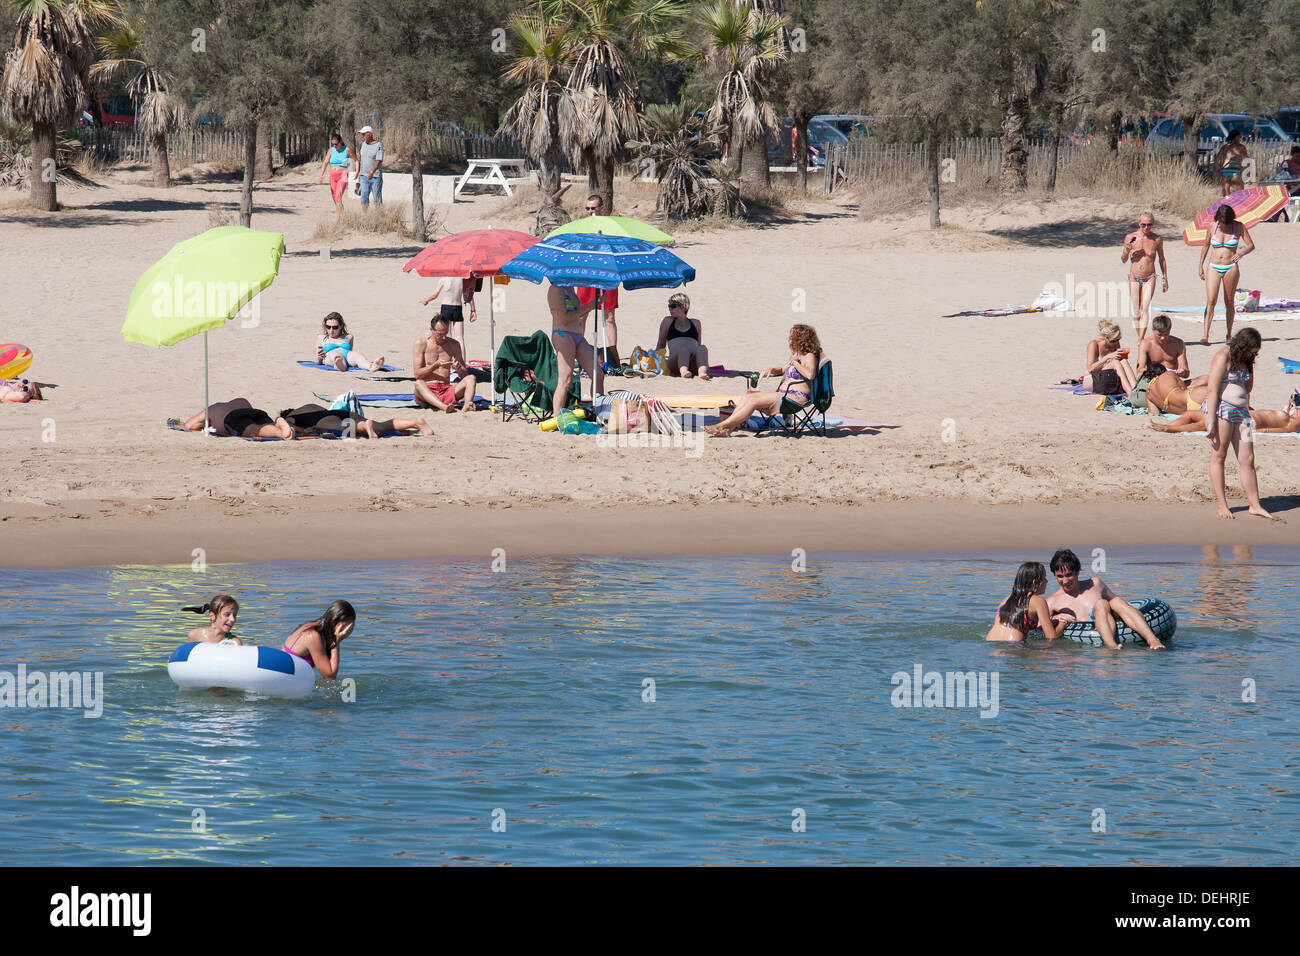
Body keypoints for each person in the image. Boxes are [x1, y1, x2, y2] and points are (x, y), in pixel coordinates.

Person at [1204, 327, 1276, 520]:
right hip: (1223, 410)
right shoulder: (1223, 356)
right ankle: (1222, 504)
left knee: (1248, 458)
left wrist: (1249, 365)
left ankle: (1255, 505)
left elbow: (1248, 387)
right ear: (1242, 345)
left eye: (1255, 353)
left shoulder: (1246, 361)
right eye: (1252, 352)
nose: (1253, 356)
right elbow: (1212, 390)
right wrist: (1210, 420)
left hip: (1243, 414)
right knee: (1220, 455)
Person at [705, 324, 821, 437]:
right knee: (748, 397)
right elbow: (782, 369)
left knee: (752, 401)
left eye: (793, 337)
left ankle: (720, 425)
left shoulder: (809, 356)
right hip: (783, 395)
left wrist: (795, 363)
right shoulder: (796, 355)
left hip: (795, 398)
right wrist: (771, 370)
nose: (790, 340)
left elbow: (810, 375)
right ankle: (728, 430)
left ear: (799, 339)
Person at [1045, 549, 1165, 650]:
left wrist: (1137, 613)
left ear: (1077, 571)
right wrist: (1055, 617)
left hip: (1108, 616)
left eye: (1068, 575)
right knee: (1102, 603)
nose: (1065, 581)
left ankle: (1153, 640)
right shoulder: (1052, 601)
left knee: (1111, 602)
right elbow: (1039, 629)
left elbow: (1117, 602)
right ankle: (1112, 646)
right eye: (1060, 576)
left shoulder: (1095, 584)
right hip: (1085, 638)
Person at [573, 194, 620, 366]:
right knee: (582, 315)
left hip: (608, 272)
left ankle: (613, 355)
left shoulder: (610, 225)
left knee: (609, 317)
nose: (590, 211)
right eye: (587, 208)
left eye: (593, 208)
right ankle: (578, 352)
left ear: (601, 208)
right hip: (586, 273)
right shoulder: (581, 227)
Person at [1197, 204, 1254, 344]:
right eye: (1220, 220)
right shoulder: (1212, 226)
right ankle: (1205, 334)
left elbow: (1251, 245)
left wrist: (1241, 253)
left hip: (1230, 267)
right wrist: (1200, 265)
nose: (1222, 224)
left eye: (1224, 221)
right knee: (1211, 300)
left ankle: (1228, 334)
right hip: (1213, 266)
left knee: (1229, 301)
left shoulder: (1238, 227)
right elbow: (1205, 245)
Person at [548, 281, 602, 418]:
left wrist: (595, 304)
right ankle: (556, 417)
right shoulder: (556, 289)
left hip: (578, 336)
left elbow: (579, 314)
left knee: (598, 375)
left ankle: (598, 412)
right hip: (563, 335)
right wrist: (590, 305)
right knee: (565, 379)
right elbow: (565, 318)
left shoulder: (570, 287)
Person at [1146, 391, 1300, 434]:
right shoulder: (1291, 411)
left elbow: (1289, 429)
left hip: (1249, 421)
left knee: (1204, 424)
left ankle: (1168, 428)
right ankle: (1166, 426)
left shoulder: (1296, 417)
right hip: (1244, 414)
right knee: (1190, 414)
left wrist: (1261, 430)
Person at [413, 315, 481, 412]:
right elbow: (417, 374)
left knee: (471, 378)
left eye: (446, 333)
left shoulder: (454, 344)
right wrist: (435, 366)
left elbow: (464, 375)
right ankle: (443, 407)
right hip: (428, 390)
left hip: (446, 390)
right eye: (440, 334)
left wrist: (459, 369)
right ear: (431, 330)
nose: (444, 337)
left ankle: (467, 405)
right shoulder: (421, 344)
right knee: (418, 384)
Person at [986, 562, 1067, 642]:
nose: (1046, 581)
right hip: (1014, 646)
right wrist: (1062, 624)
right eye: (1044, 578)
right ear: (1034, 582)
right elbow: (1051, 637)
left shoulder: (1006, 600)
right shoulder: (1038, 601)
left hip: (992, 644)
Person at [1120, 212, 1167, 340]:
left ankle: (1141, 340)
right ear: (1139, 223)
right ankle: (1140, 337)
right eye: (1143, 225)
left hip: (1150, 277)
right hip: (1134, 277)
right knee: (1136, 311)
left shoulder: (1156, 239)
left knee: (1144, 308)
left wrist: (1164, 278)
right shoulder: (1130, 237)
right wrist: (1127, 250)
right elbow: (1123, 259)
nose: (1146, 228)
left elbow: (1162, 259)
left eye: (1149, 225)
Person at [282, 600, 356, 679]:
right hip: (284, 678)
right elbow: (330, 676)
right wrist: (336, 641)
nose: (349, 631)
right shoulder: (312, 636)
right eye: (349, 627)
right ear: (336, 622)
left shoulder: (313, 626)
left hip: (288, 676)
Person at [278, 403, 434, 437]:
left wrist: (302, 430)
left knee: (354, 428)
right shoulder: (309, 405)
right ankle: (416, 422)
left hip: (323, 421)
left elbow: (290, 426)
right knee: (381, 426)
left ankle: (364, 426)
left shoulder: (292, 417)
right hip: (339, 411)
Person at [654, 292, 711, 379]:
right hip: (675, 362)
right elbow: (661, 345)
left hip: (692, 362)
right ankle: (684, 372)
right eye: (669, 306)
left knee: (702, 348)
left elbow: (698, 345)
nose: (670, 308)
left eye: (673, 306)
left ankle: (702, 373)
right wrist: (656, 363)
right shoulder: (668, 321)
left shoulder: (696, 323)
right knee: (683, 349)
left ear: (683, 306)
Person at [182, 399, 295, 439]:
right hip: (254, 412)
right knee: (264, 425)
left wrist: (208, 423)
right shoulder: (240, 400)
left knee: (253, 430)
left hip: (232, 418)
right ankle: (279, 425)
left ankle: (281, 432)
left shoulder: (213, 408)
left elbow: (190, 425)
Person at [420, 277, 477, 355]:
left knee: (448, 337)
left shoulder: (443, 279)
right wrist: (473, 311)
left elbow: (434, 295)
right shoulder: (463, 279)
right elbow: (469, 296)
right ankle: (462, 362)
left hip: (446, 308)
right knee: (460, 338)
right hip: (458, 308)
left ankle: (450, 361)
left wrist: (426, 300)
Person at [316, 312, 385, 372]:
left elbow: (350, 351)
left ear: (341, 326)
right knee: (337, 356)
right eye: (328, 327)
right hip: (330, 356)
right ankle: (339, 365)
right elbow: (317, 361)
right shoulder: (321, 338)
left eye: (335, 327)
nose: (331, 330)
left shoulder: (349, 337)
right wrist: (319, 358)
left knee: (357, 356)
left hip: (347, 356)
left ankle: (371, 366)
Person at [1081, 320, 1136, 395]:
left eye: (1118, 340)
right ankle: (1130, 393)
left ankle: (1135, 389)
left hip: (1108, 376)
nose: (1116, 343)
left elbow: (1121, 363)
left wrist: (1123, 356)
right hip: (1093, 379)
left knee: (1123, 361)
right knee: (1115, 362)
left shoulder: (1116, 344)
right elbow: (1090, 369)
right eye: (1113, 341)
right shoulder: (1094, 344)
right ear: (1104, 337)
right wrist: (1107, 357)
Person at [1134, 314, 1189, 381]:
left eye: (1166, 334)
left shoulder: (1178, 344)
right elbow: (1140, 370)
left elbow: (1186, 373)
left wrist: (1182, 372)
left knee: (1204, 379)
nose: (1163, 338)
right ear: (1153, 330)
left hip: (1172, 381)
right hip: (1154, 380)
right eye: (1159, 335)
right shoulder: (1146, 344)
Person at [1144, 369, 1211, 417]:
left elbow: (1154, 414)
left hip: (1188, 411)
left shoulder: (1148, 395)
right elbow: (1184, 388)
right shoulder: (1169, 374)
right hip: (1193, 397)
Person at [317, 132, 357, 213]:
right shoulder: (331, 150)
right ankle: (341, 212)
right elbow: (325, 162)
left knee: (338, 196)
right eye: (333, 144)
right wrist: (321, 175)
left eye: (336, 144)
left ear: (340, 141)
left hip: (343, 175)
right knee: (334, 197)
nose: (334, 146)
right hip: (332, 176)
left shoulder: (347, 150)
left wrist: (357, 172)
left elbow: (356, 160)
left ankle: (338, 220)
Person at [1214, 130, 1250, 196]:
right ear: (1236, 137)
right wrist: (1248, 172)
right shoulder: (1241, 147)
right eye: (1240, 136)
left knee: (1226, 196)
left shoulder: (1225, 147)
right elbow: (1247, 160)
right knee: (1240, 195)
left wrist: (1216, 171)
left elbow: (1217, 159)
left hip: (1224, 171)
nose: (1240, 138)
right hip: (1235, 170)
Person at [357, 125, 383, 208]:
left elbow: (378, 160)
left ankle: (379, 216)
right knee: (364, 197)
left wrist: (372, 172)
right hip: (364, 176)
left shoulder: (378, 145)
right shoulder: (362, 145)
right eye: (362, 134)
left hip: (375, 177)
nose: (363, 136)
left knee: (377, 198)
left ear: (370, 134)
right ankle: (365, 217)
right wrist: (360, 174)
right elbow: (362, 159)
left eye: (364, 134)